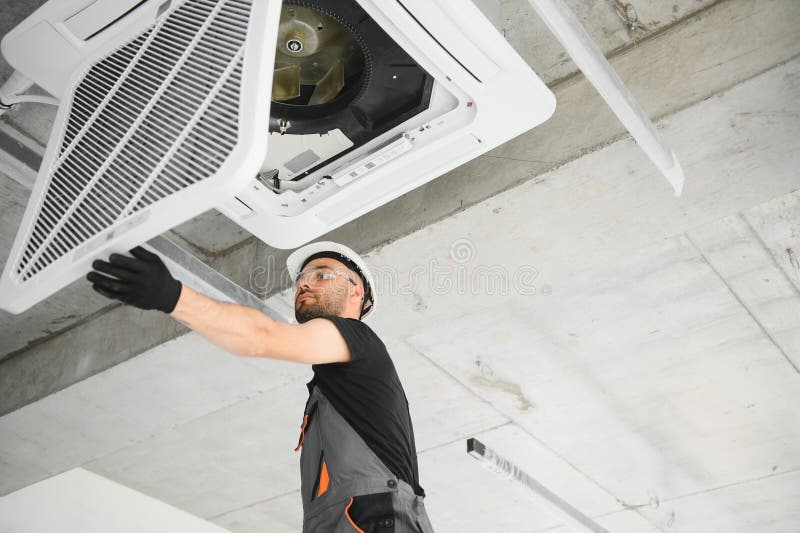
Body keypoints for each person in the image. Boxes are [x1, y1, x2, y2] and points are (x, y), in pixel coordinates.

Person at [86, 241, 435, 533]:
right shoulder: (332, 387)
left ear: (356, 291)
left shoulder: (359, 340)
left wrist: (171, 296)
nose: (304, 284)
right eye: (301, 279)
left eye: (321, 274)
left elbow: (260, 336)